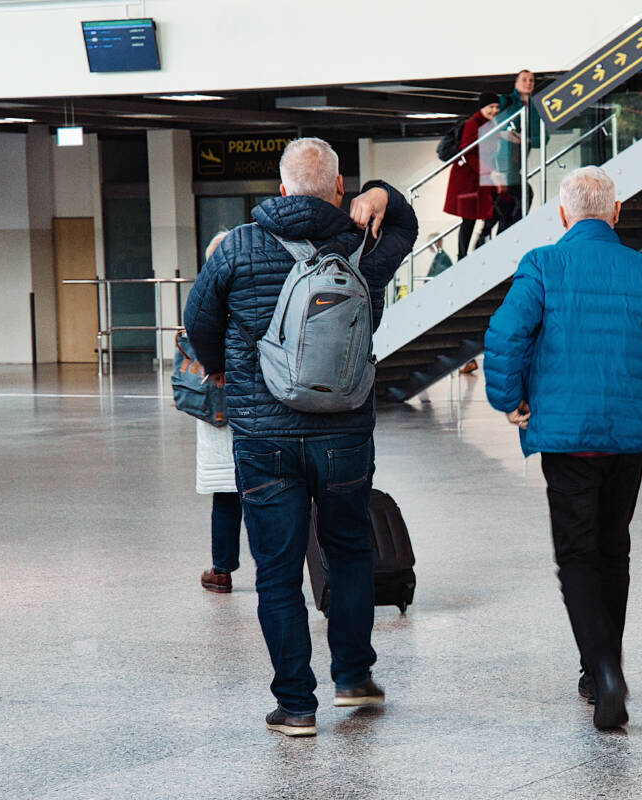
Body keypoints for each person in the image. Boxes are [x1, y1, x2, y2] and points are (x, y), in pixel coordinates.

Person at [183, 137, 417, 737]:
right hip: (344, 431)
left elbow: (198, 321)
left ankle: (295, 706)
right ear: (340, 189)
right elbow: (407, 221)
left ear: (280, 188)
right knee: (349, 551)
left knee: (278, 570)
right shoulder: (363, 246)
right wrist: (380, 195)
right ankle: (353, 679)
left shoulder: (237, 246)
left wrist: (220, 369)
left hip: (263, 434)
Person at [483, 165, 642, 731]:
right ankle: (597, 668)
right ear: (616, 213)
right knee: (613, 550)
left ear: (563, 214)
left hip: (567, 438)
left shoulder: (543, 265)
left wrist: (509, 400)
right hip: (628, 441)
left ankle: (604, 670)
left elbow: (504, 336)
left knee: (577, 555)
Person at [195, 230, 242, 595]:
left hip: (218, 415)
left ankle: (222, 570)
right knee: (271, 493)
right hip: (260, 409)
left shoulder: (205, 304)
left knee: (226, 492)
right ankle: (283, 567)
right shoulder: (254, 297)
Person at [443, 93, 500, 260]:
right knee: (468, 219)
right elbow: (467, 152)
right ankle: (462, 256)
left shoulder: (489, 124)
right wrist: (489, 172)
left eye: (497, 107)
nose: (494, 110)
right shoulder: (473, 124)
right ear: (482, 108)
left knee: (494, 211)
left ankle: (478, 245)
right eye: (491, 107)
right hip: (468, 179)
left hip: (481, 177)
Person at [491, 70, 544, 231]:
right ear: (516, 84)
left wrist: (526, 139)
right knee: (522, 196)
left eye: (531, 80)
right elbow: (490, 125)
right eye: (524, 80)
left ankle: (507, 233)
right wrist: (503, 133)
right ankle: (511, 232)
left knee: (512, 204)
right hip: (503, 161)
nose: (528, 83)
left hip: (517, 163)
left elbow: (542, 138)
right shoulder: (506, 102)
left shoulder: (534, 108)